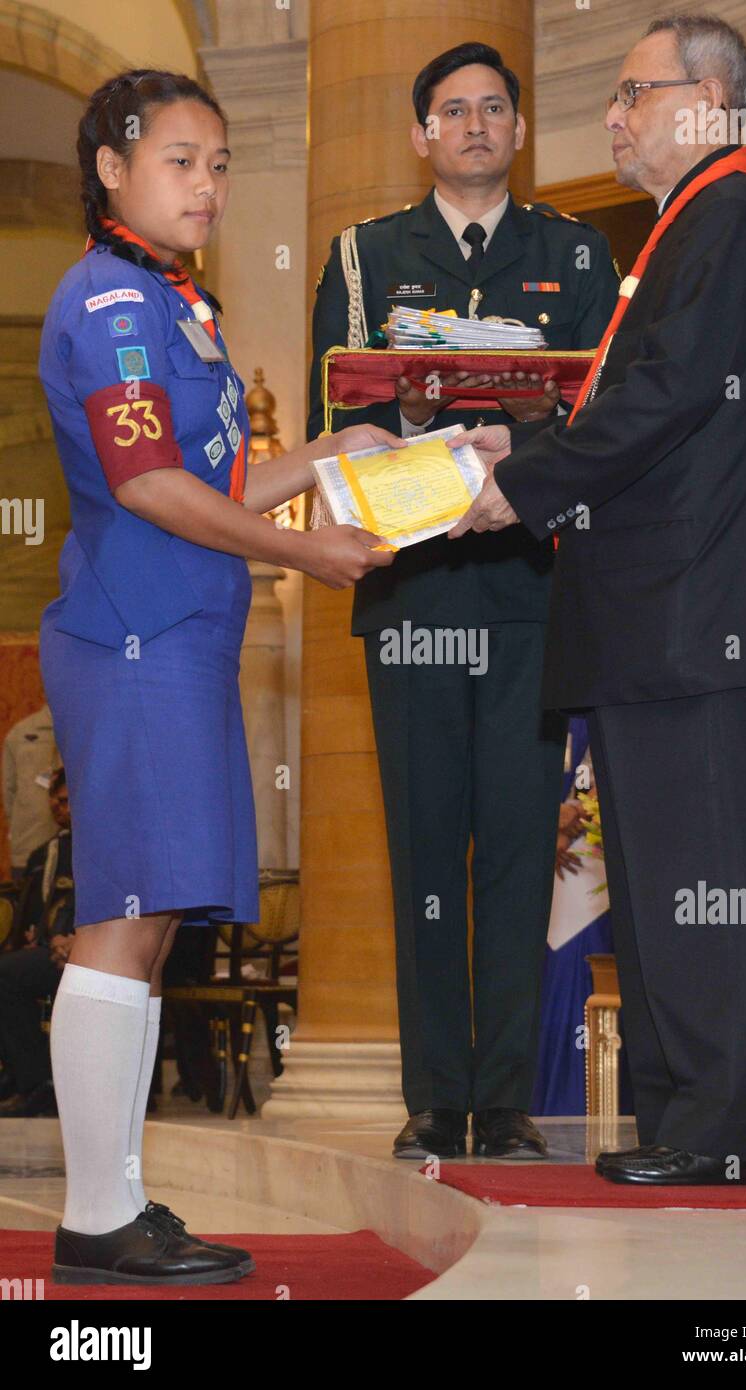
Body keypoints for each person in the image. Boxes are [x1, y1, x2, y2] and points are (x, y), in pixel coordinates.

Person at [450, 14, 746, 1185]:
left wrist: (520, 485)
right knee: (670, 875)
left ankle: (724, 1131)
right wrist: (518, 436)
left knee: (708, 875)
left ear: (708, 103)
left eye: (632, 93)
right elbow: (645, 405)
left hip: (700, 607)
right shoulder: (692, 227)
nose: (613, 116)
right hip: (662, 609)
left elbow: (667, 399)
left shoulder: (732, 217)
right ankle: (687, 1118)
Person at [38, 68, 411, 1284]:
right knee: (120, 927)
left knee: (146, 932)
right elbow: (150, 488)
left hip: (179, 645)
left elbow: (219, 480)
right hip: (135, 642)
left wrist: (319, 456)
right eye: (179, 161)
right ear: (112, 168)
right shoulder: (111, 304)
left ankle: (122, 1204)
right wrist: (309, 547)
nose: (206, 184)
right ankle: (97, 1218)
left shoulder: (170, 303)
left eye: (219, 162)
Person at [309, 42, 620, 1161]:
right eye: (454, 110)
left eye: (496, 107)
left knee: (518, 847)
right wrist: (440, 477)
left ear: (521, 129)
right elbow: (340, 423)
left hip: (534, 593)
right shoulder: (360, 256)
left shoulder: (578, 255)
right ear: (420, 134)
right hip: (415, 594)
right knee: (427, 847)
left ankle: (506, 1100)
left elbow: (595, 420)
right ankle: (436, 1095)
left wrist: (510, 474)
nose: (477, 124)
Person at [0, 768, 73, 1118]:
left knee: (5, 975)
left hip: (91, 950)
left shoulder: (99, 849)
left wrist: (75, 940)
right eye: (54, 801)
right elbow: (36, 909)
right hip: (51, 950)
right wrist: (35, 934)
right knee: (9, 969)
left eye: (65, 801)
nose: (58, 808)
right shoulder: (43, 854)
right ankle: (19, 1074)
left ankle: (37, 1083)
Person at [1, 702, 59, 881]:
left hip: (80, 853)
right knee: (28, 905)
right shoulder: (20, 734)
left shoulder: (90, 731)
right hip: (30, 848)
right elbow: (9, 792)